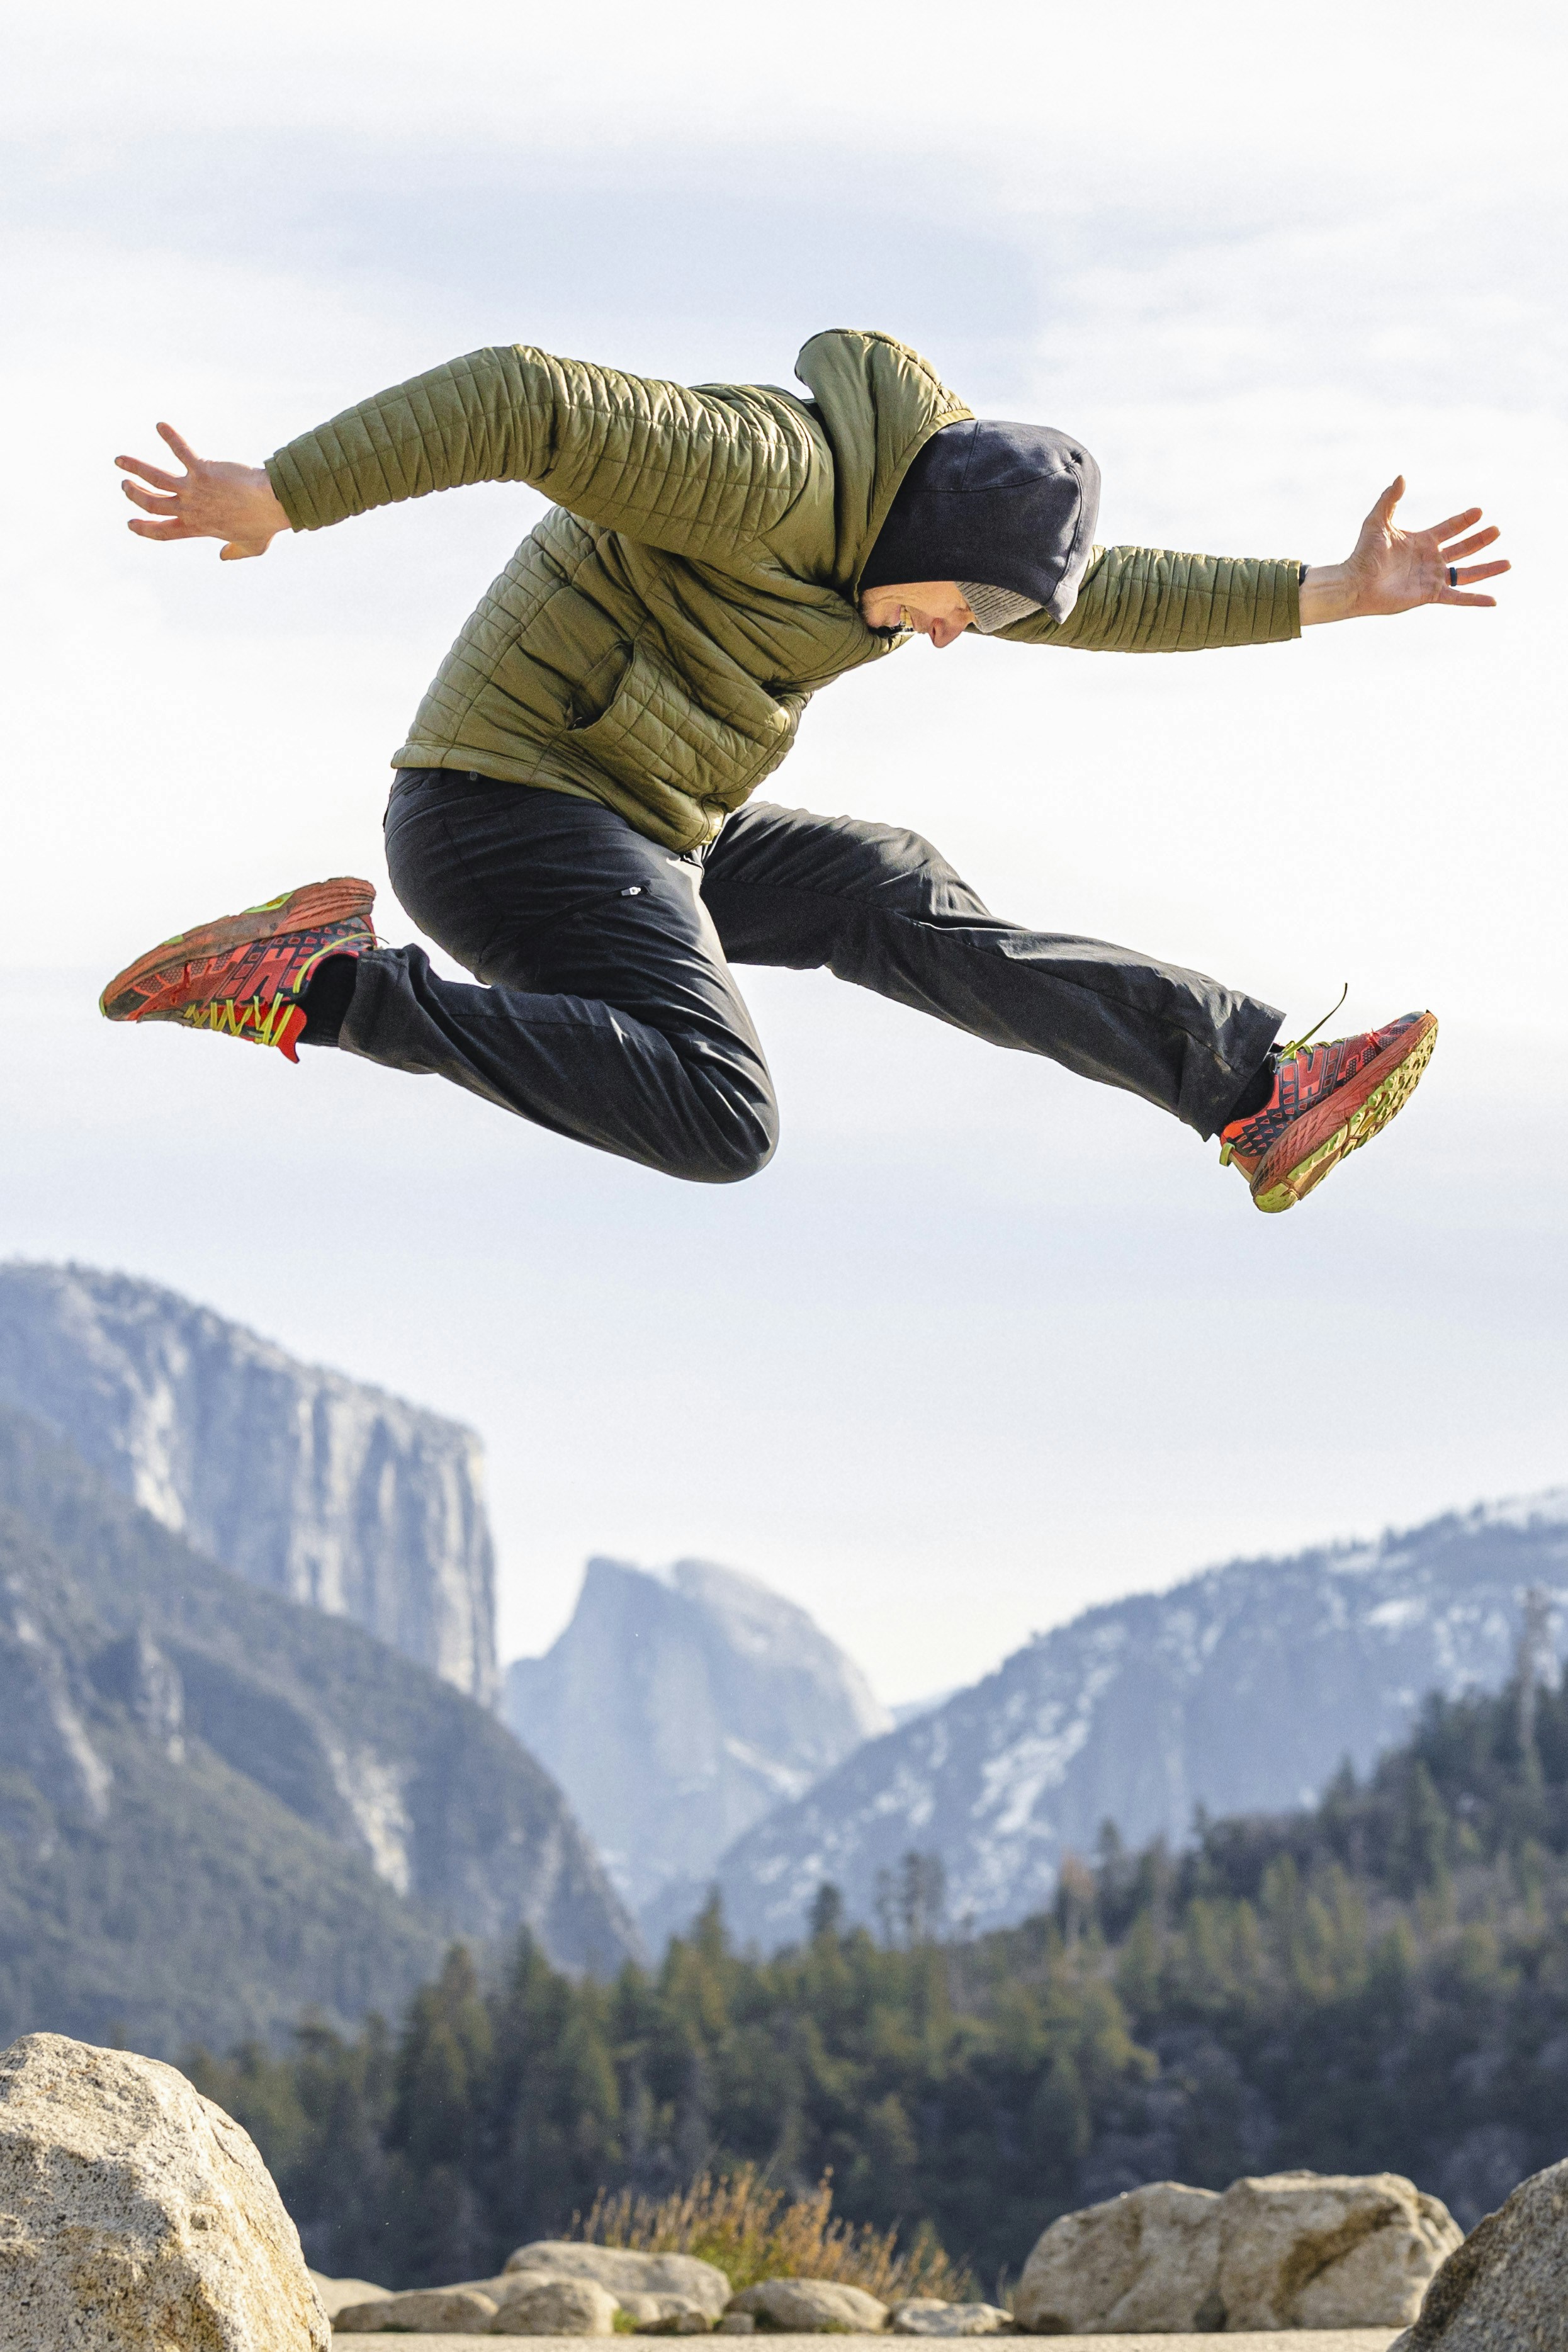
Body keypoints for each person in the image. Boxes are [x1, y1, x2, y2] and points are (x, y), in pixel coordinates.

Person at [103, 330, 1507, 1213]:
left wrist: (1332, 589)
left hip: (641, 826)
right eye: (975, 606)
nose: (964, 635)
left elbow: (1120, 594)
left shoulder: (928, 532)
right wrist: (285, 492)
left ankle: (1252, 1086)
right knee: (720, 1116)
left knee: (879, 884)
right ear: (932, 526)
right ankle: (327, 982)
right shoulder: (761, 471)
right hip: (502, 814)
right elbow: (522, 399)